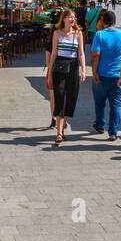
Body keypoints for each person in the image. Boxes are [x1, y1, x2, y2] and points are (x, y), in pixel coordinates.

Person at [46, 9, 86, 144]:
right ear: (63, 19)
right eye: (69, 17)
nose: (72, 19)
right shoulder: (57, 33)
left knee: (71, 97)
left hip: (74, 66)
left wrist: (84, 70)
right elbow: (53, 53)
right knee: (59, 97)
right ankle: (58, 132)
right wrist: (49, 72)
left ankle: (62, 126)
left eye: (74, 17)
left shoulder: (78, 33)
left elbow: (81, 53)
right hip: (59, 67)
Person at [88, 9, 121, 139]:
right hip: (118, 76)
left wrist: (94, 71)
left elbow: (95, 54)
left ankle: (100, 125)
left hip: (102, 74)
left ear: (103, 21)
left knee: (99, 103)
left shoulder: (99, 35)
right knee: (116, 105)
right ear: (115, 21)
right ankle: (113, 132)